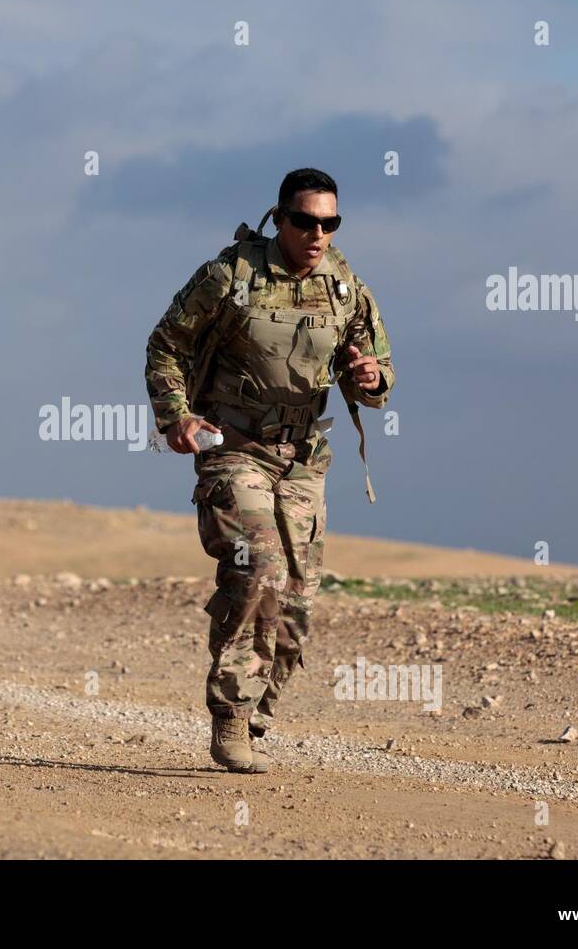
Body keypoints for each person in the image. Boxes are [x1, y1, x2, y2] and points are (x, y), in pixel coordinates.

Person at [144, 167, 395, 773]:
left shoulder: (345, 288)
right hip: (233, 447)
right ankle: (229, 716)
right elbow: (166, 346)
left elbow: (376, 368)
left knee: (297, 601)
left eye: (329, 223)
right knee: (255, 566)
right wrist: (174, 417)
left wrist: (371, 378)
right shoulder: (230, 276)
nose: (317, 233)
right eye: (305, 221)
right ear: (279, 218)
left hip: (304, 458)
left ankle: (259, 713)